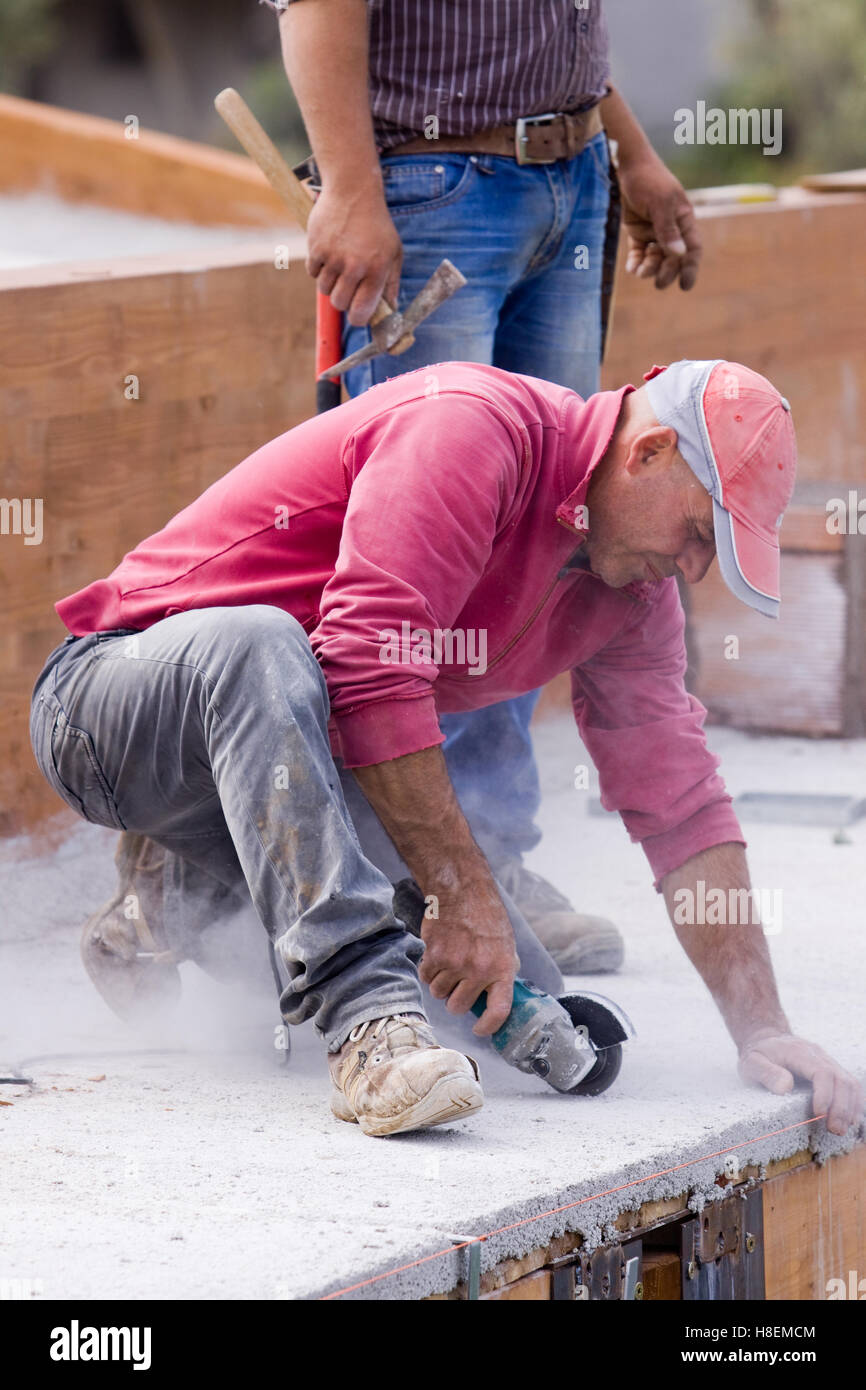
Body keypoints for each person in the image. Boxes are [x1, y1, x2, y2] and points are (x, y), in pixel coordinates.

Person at [30, 357, 863, 1139]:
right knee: (263, 647)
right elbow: (367, 669)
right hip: (108, 704)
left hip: (271, 766)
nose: (693, 566)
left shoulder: (632, 592)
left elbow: (680, 799)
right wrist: (458, 893)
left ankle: (172, 902)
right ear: (650, 451)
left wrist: (765, 1026)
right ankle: (366, 1029)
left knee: (522, 997)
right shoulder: (472, 432)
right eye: (696, 531)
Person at [268, 0, 703, 972]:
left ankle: (490, 857)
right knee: (435, 552)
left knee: (544, 531)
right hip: (434, 188)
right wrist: (347, 185)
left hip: (567, 182)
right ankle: (424, 874)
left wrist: (624, 149)